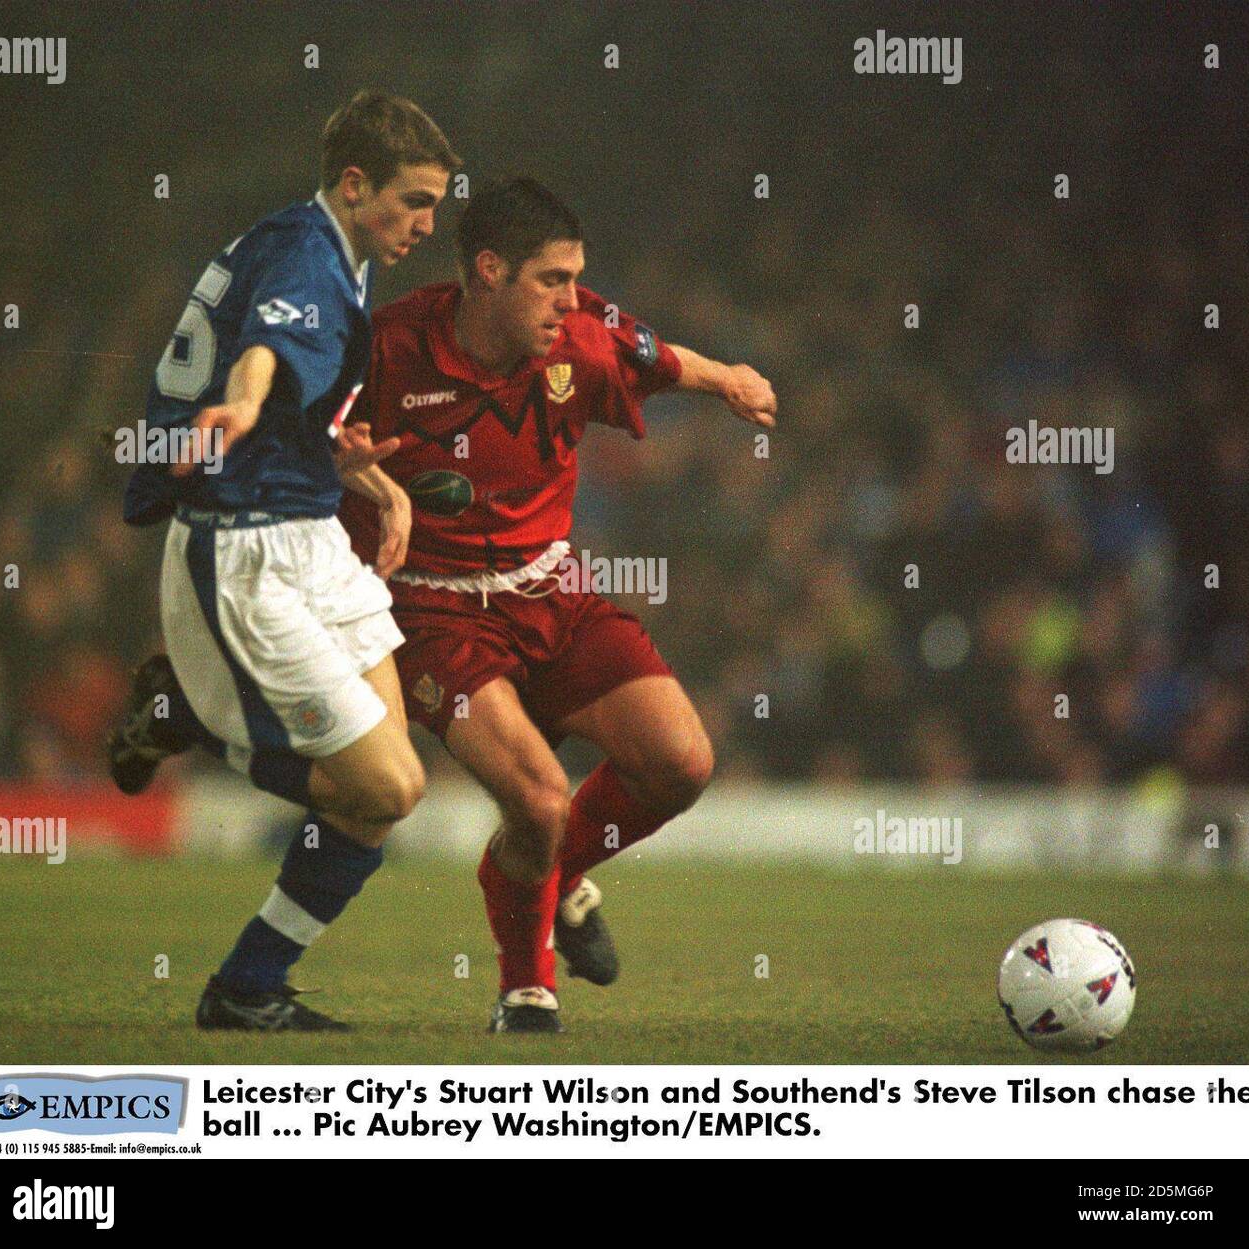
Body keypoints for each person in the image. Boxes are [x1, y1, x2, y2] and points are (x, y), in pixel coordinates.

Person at [337, 177, 777, 1032]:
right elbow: (298, 432)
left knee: (681, 762)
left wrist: (731, 379)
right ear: (489, 271)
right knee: (539, 800)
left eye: (577, 279)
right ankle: (525, 985)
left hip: (552, 589)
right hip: (436, 612)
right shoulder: (387, 348)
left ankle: (535, 873)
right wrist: (338, 463)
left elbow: (656, 358)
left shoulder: (580, 338)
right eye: (552, 280)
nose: (573, 300)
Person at [110, 91, 458, 1031]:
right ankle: (184, 712)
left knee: (391, 794)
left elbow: (289, 363)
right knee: (381, 785)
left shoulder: (310, 243)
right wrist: (245, 407)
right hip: (248, 544)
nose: (429, 224)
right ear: (356, 185)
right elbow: (266, 352)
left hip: (304, 526)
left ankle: (250, 987)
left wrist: (356, 472)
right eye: (415, 202)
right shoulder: (310, 256)